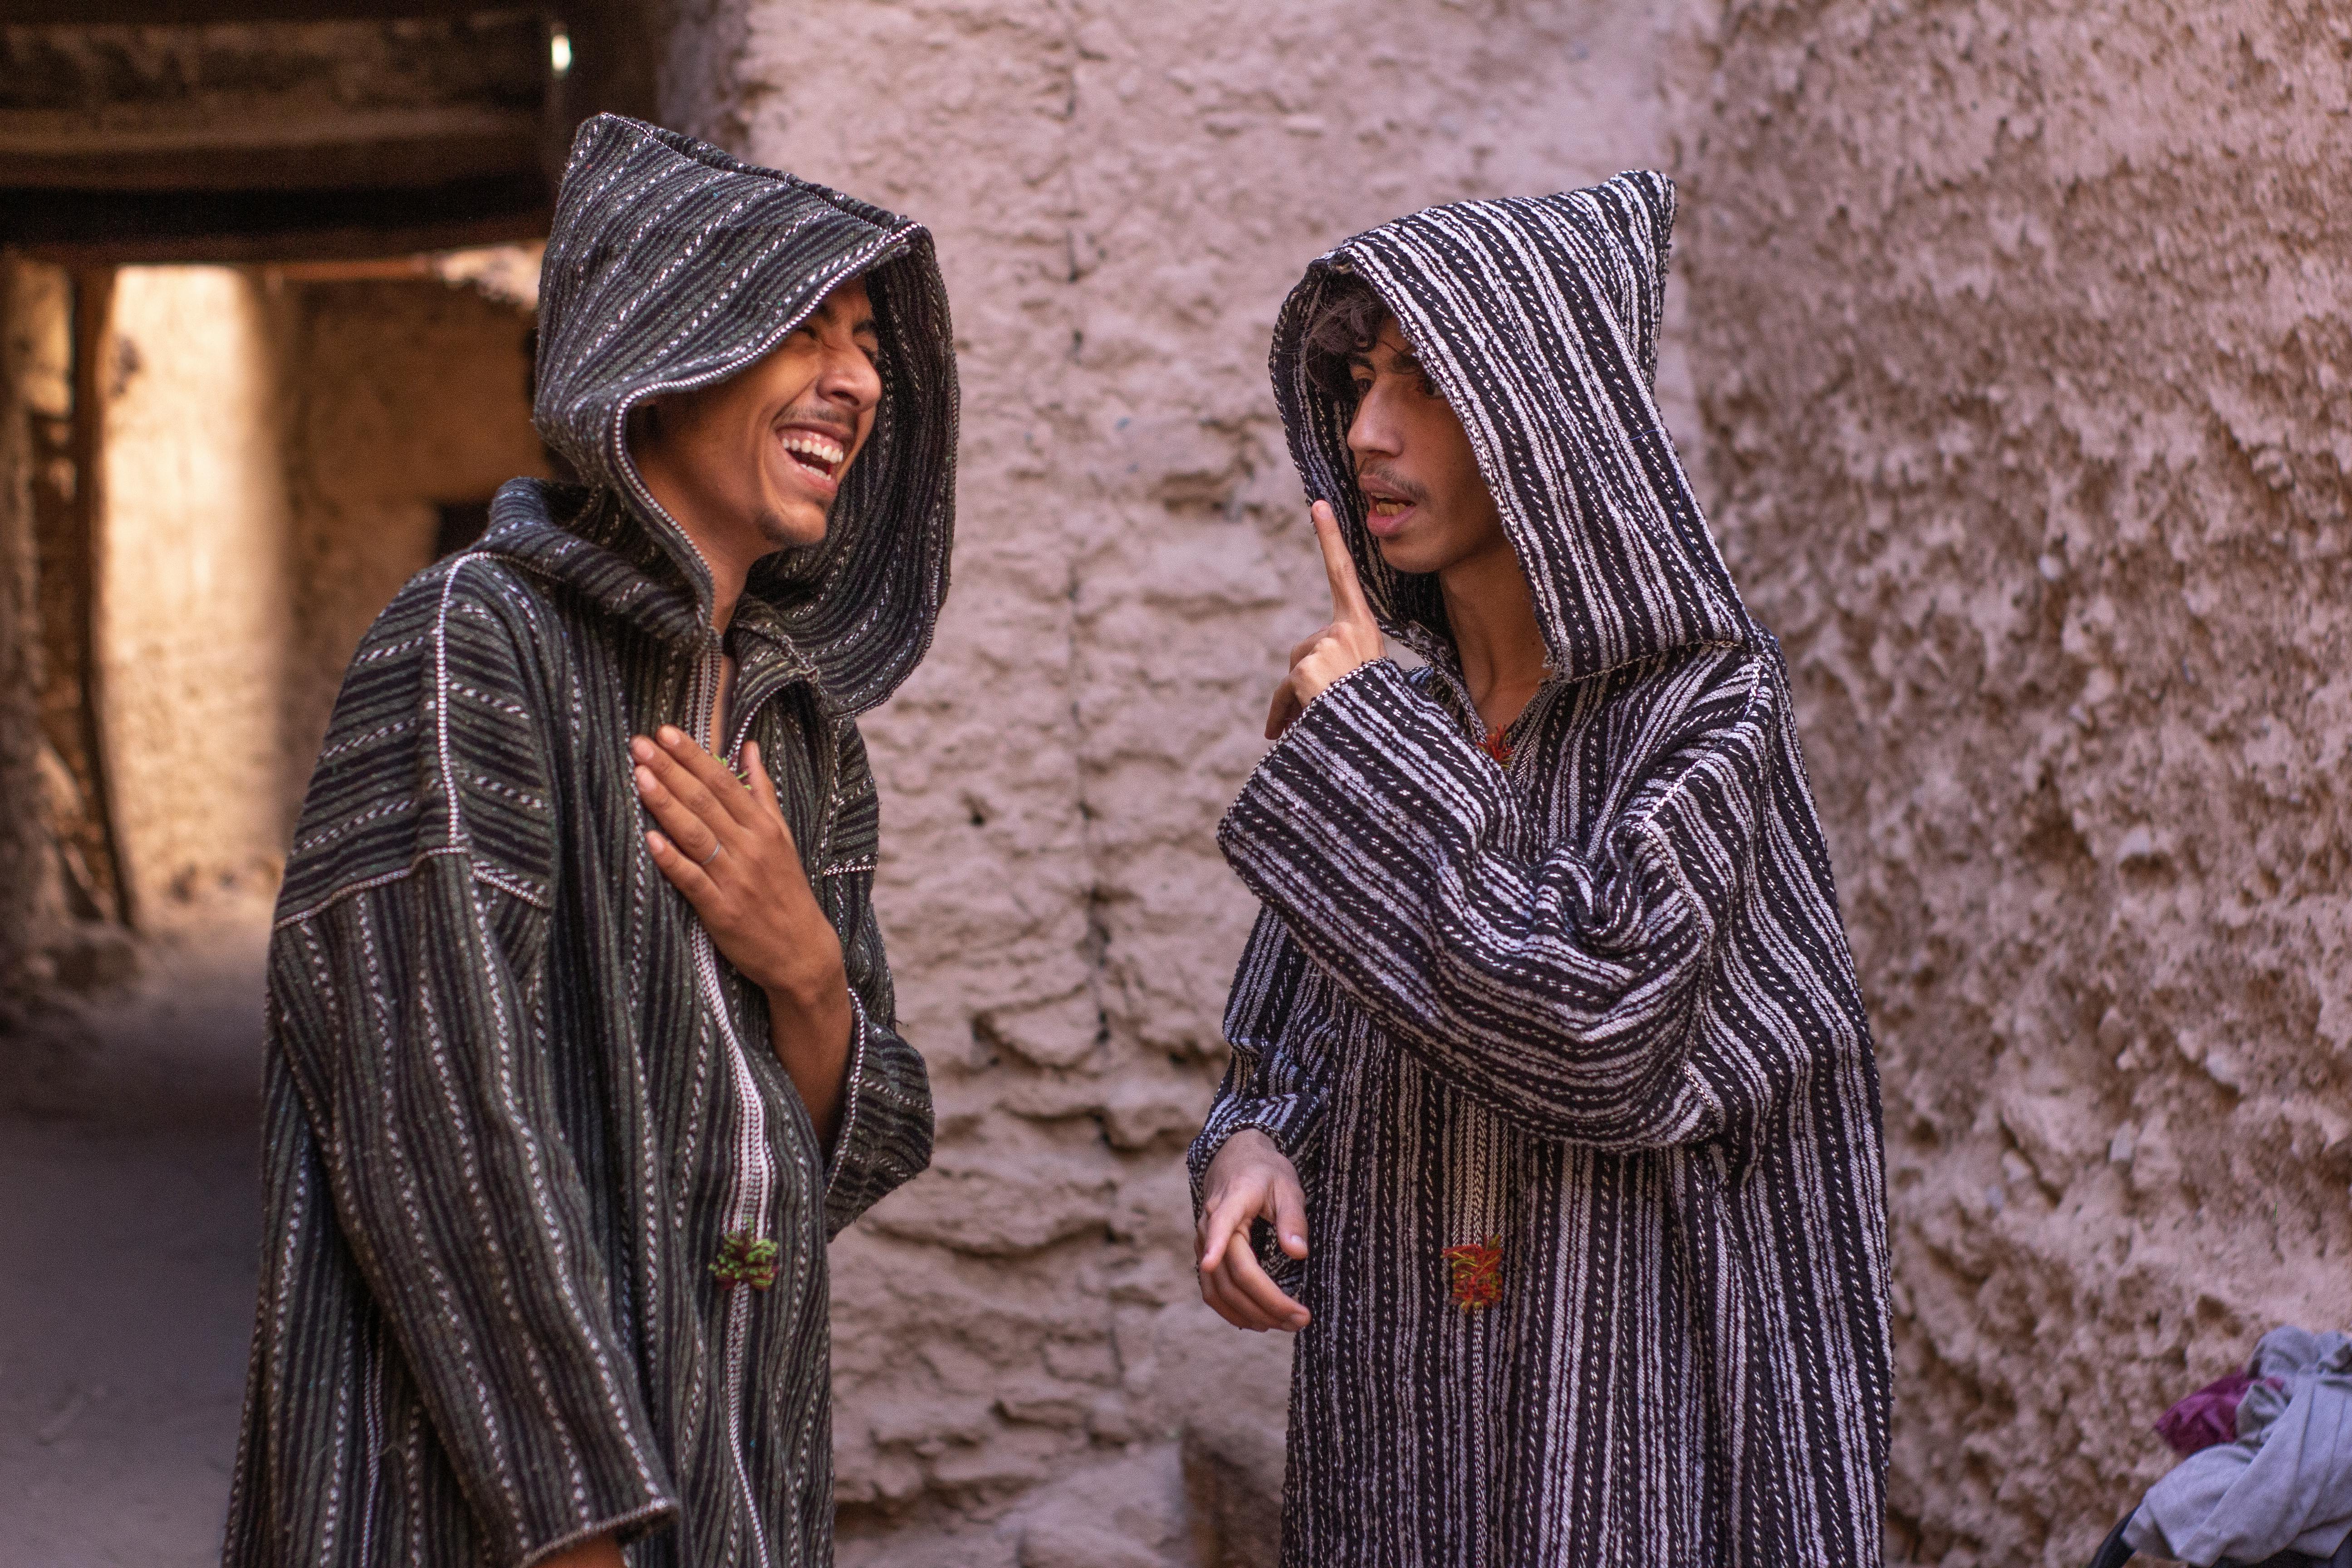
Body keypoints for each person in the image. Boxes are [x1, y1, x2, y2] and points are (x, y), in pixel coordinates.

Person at [223, 115, 952, 1568]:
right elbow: (435, 1128)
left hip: (738, 1469)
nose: (861, 379)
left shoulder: (803, 734)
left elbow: (845, 1155)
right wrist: (580, 1532)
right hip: (486, 1516)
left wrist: (806, 973)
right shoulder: (468, 649)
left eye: (869, 339)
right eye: (804, 325)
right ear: (668, 341)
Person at [1190, 175, 1893, 1565]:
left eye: (1431, 383)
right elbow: (1277, 1053)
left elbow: (1596, 1031)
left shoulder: (1705, 716)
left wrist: (1375, 750)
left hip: (1637, 1456)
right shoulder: (1403, 709)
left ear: (1550, 414)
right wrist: (1251, 1152)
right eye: (1360, 380)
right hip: (1395, 1443)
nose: (1370, 433)